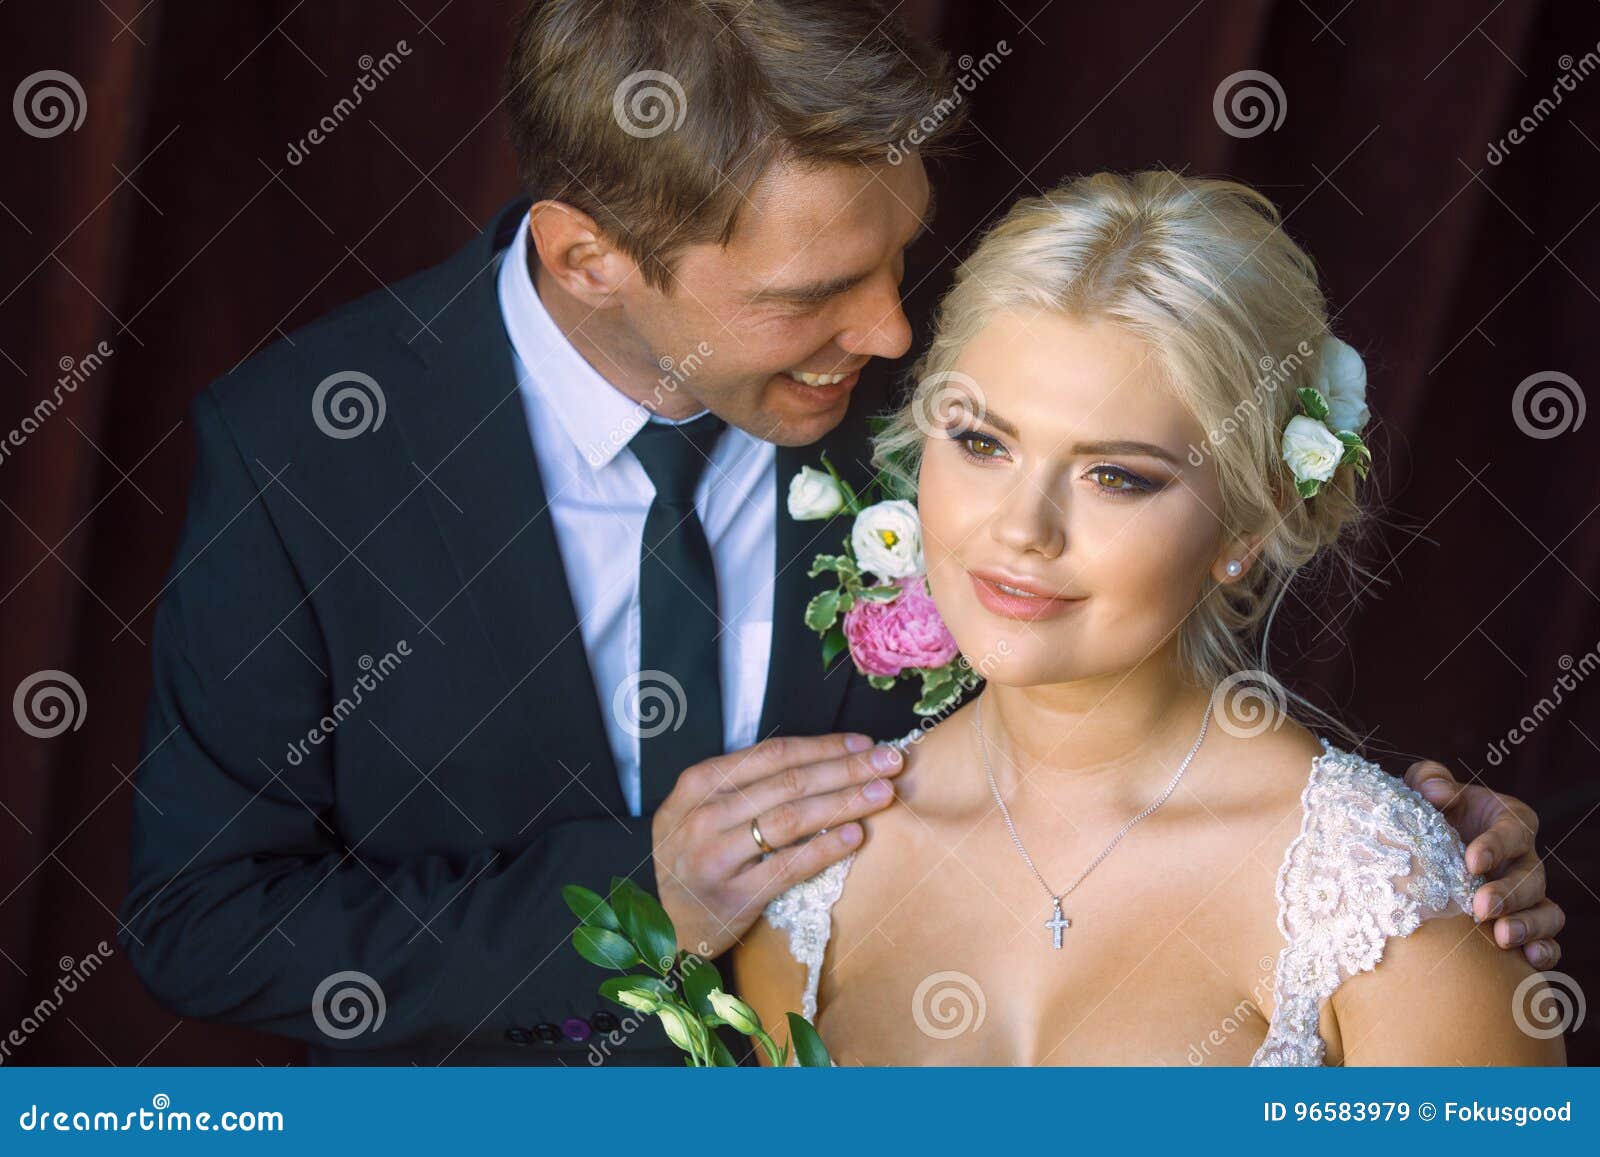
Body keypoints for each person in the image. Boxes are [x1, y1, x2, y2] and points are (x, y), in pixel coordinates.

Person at [117, 1, 1562, 1067]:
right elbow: (204, 917)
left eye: (901, 259)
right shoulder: (309, 446)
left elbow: (1141, 697)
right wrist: (641, 898)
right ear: (588, 259)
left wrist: (1401, 878)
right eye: (811, 293)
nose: (886, 333)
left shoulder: (981, 392)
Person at [735, 170, 1566, 1066]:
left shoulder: (1385, 909)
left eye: (1116, 475)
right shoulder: (813, 876)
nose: (1021, 529)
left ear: (1250, 520)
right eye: (982, 442)